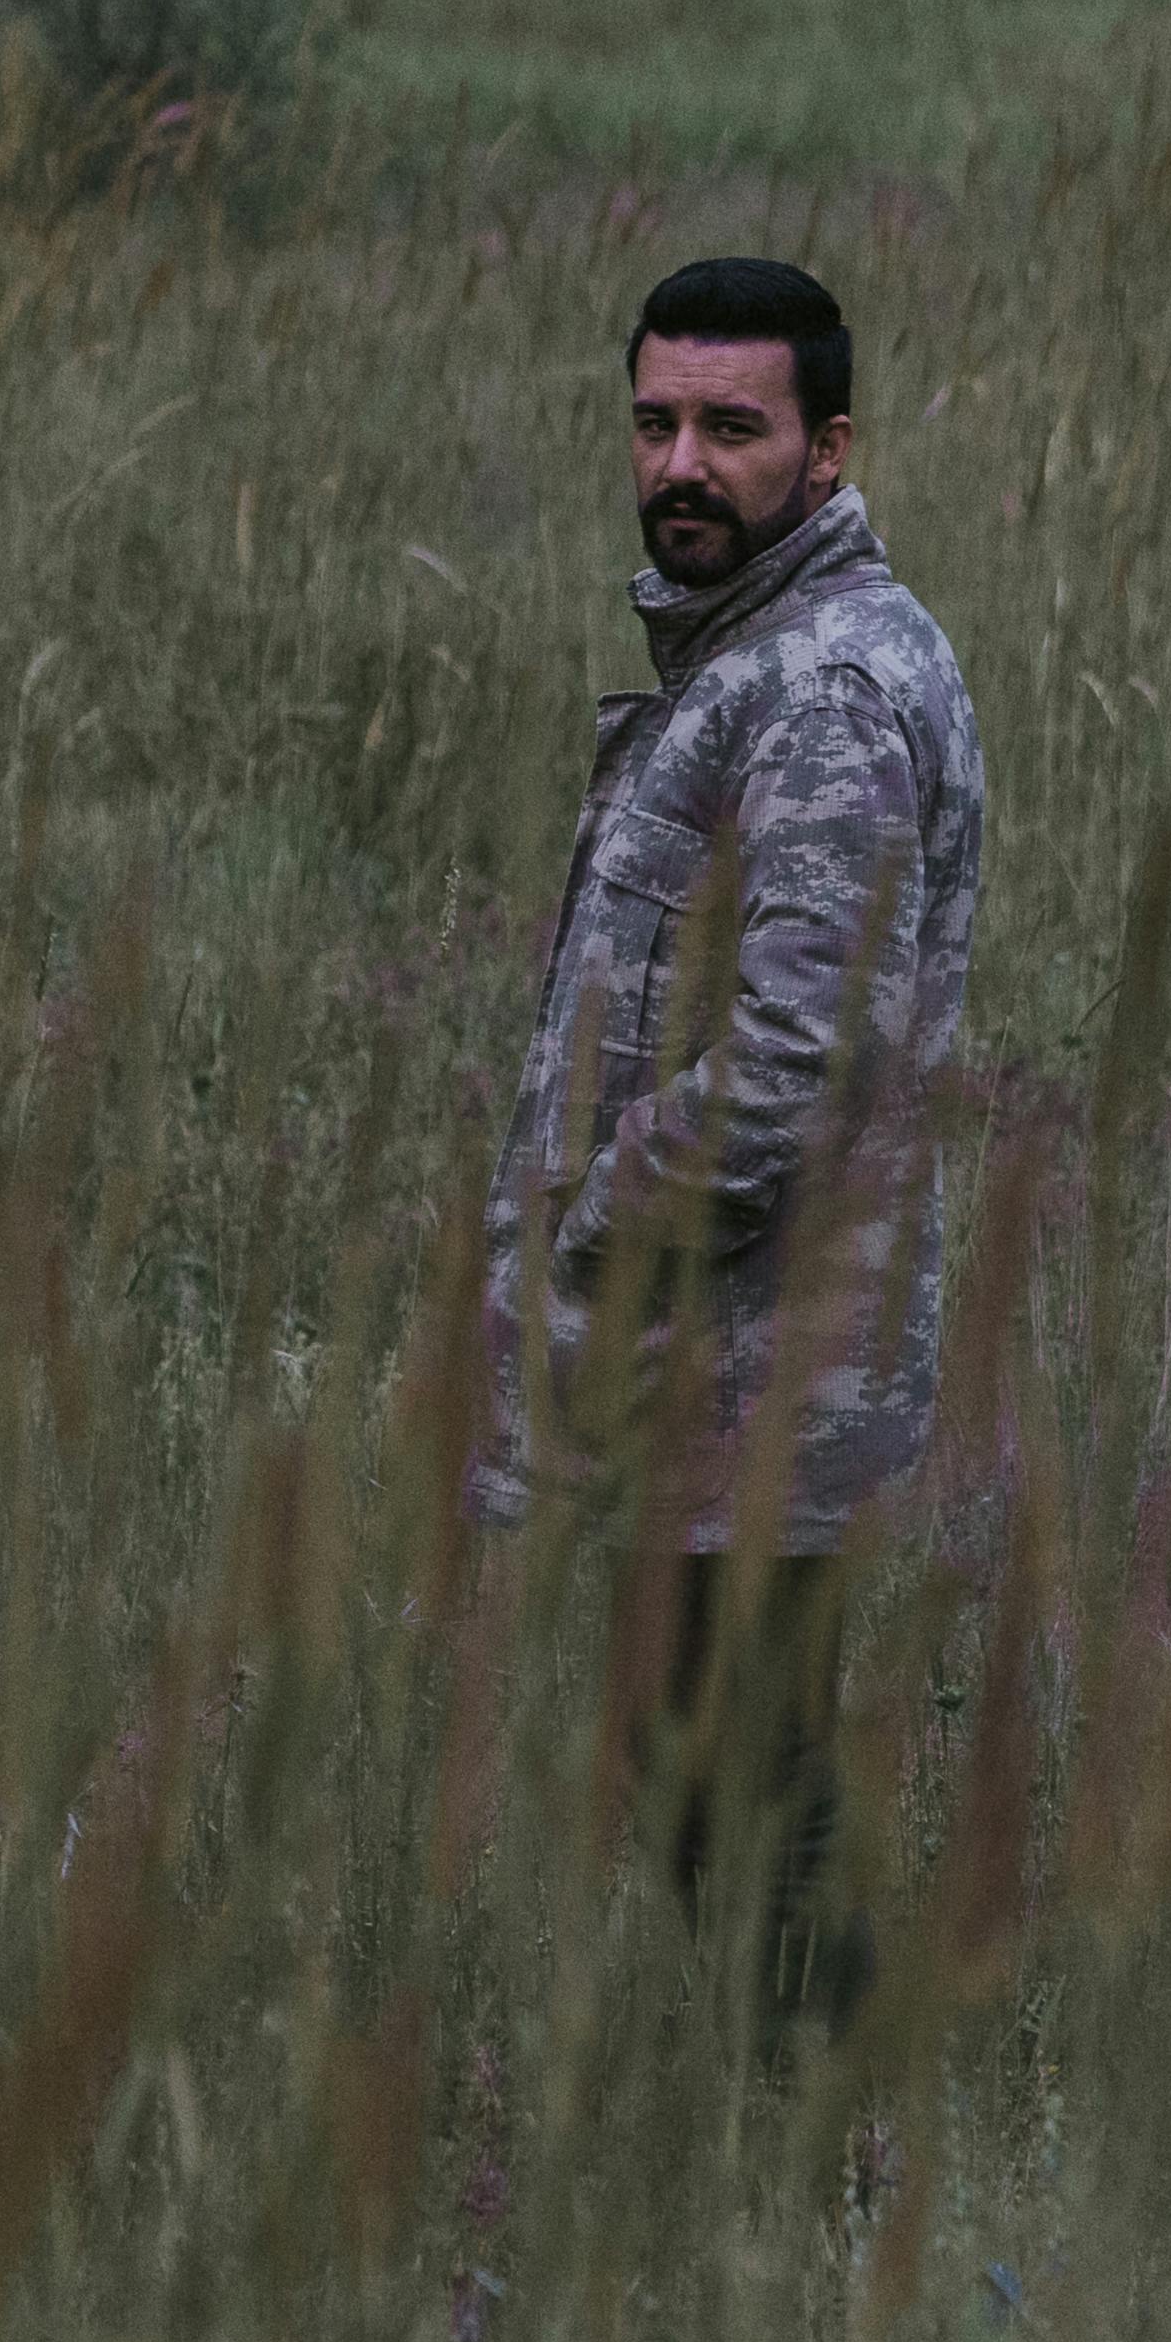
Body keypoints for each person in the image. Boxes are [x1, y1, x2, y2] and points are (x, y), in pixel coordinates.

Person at [473, 255, 985, 2039]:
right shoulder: (757, 658)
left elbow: (797, 1057)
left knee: (749, 1815)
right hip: (722, 1364)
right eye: (656, 422)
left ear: (827, 452)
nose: (682, 464)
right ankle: (793, 2191)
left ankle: (831, 2211)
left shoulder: (824, 691)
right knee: (714, 1798)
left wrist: (600, 1231)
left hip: (756, 1373)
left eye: (733, 428)